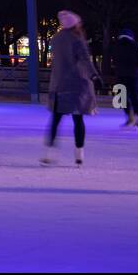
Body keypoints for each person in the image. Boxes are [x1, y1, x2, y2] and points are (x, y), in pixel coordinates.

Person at [42, 10, 99, 166]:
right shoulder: (77, 39)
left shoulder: (56, 39)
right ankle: (79, 155)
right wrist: (94, 76)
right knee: (78, 120)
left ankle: (49, 153)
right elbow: (85, 60)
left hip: (59, 85)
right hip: (77, 85)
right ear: (75, 25)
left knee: (55, 120)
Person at [110, 28, 138, 129]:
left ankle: (129, 117)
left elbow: (114, 59)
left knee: (121, 97)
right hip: (133, 74)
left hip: (121, 74)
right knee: (134, 96)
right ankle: (135, 117)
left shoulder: (116, 45)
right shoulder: (135, 45)